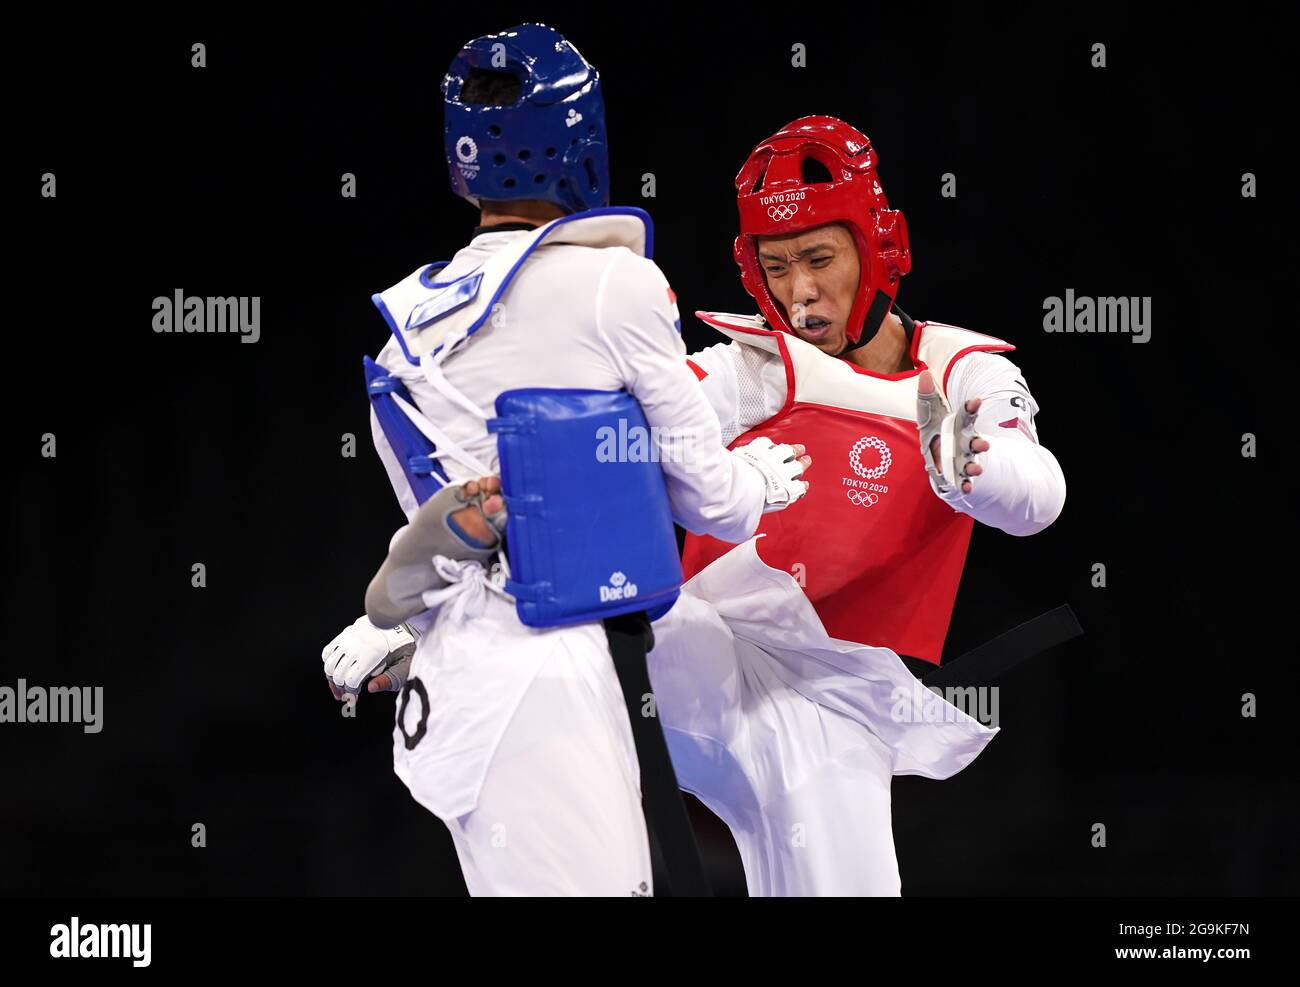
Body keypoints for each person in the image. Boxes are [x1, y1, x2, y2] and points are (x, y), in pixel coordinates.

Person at [321, 24, 809, 897]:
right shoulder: (612, 284)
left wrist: (391, 615)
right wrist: (761, 483)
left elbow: (458, 525)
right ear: (582, 143)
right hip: (542, 679)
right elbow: (713, 501)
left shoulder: (398, 339)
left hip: (459, 681)